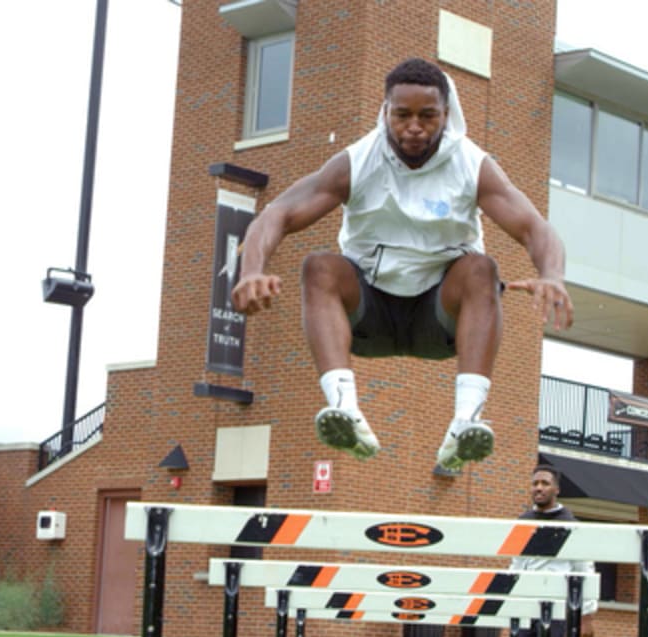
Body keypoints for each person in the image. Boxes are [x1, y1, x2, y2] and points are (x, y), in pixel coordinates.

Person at [231, 58, 573, 471]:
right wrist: (252, 269)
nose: (414, 127)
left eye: (427, 116)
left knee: (482, 269)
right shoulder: (358, 162)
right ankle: (344, 408)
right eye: (402, 115)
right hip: (368, 314)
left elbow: (534, 227)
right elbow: (279, 212)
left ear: (446, 115)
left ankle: (466, 420)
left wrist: (552, 275)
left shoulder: (471, 165)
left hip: (439, 319)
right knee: (319, 266)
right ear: (386, 112)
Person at [510, 463, 595, 637]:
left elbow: (585, 569)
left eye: (545, 483)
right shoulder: (523, 522)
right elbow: (515, 564)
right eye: (535, 483)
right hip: (527, 607)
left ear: (556, 489)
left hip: (556, 609)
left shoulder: (570, 523)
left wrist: (587, 615)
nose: (539, 488)